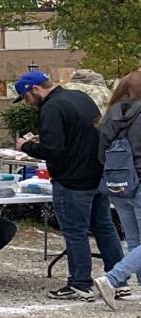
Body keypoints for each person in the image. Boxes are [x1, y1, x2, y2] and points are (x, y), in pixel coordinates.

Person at [15, 71, 125, 300]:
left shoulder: (51, 108)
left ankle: (79, 283)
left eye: (26, 97)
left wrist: (26, 146)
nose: (28, 103)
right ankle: (118, 279)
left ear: (35, 89)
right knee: (104, 226)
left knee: (76, 232)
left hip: (71, 179)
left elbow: (53, 149)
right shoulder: (80, 97)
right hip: (96, 172)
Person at [91, 69, 141, 310]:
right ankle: (112, 278)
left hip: (117, 182)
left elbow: (101, 154)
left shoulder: (111, 114)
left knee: (133, 239)